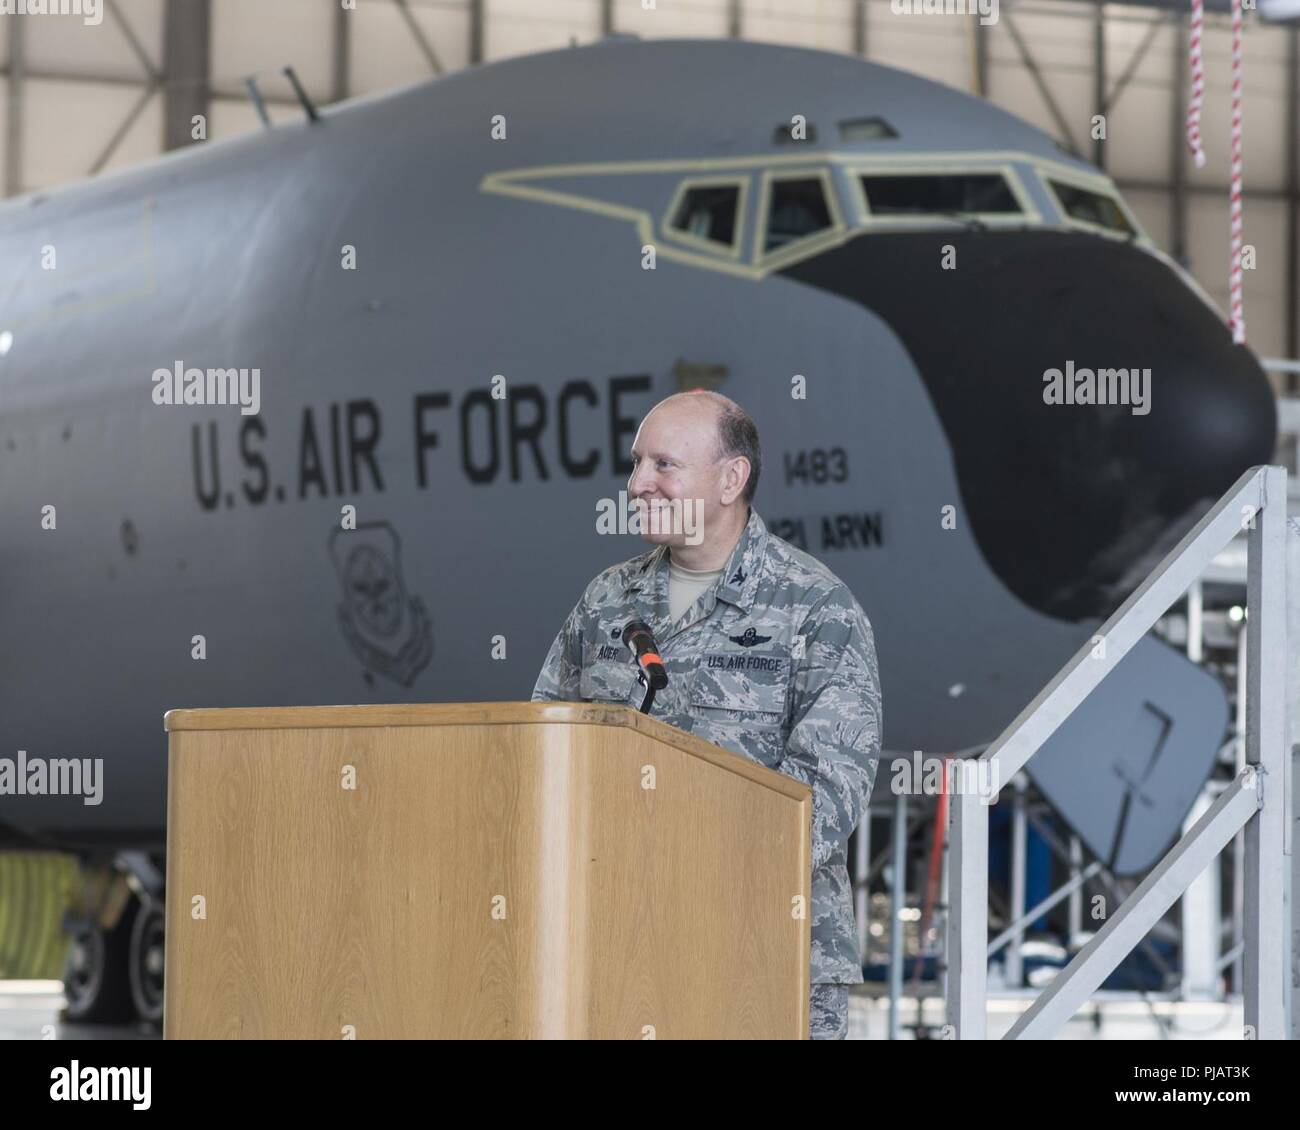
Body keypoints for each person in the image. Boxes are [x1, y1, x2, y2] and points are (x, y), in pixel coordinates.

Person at [532, 390, 882, 1039]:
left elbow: (827, 796)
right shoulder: (607, 601)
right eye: (637, 463)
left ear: (731, 478)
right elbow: (545, 751)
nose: (637, 484)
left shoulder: (815, 609)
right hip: (619, 950)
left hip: (764, 956)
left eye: (663, 465)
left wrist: (687, 869)